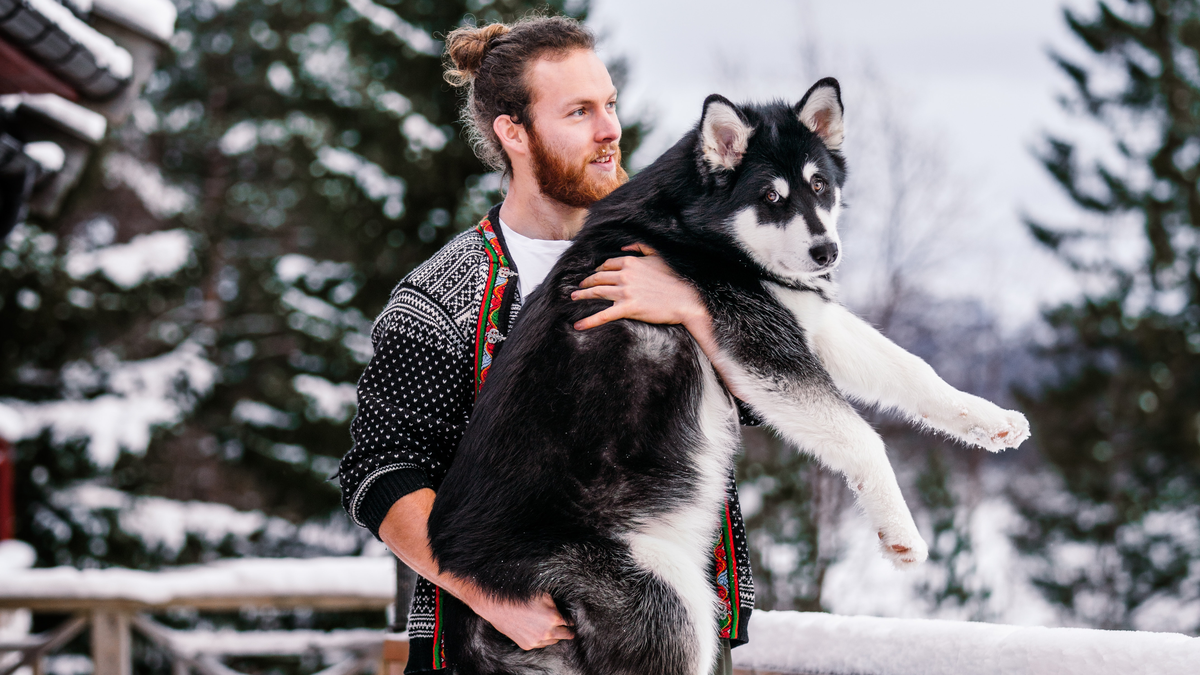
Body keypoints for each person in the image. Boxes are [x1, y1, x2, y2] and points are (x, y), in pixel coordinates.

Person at [337, 15, 754, 674]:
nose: (609, 129)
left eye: (610, 104)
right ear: (515, 132)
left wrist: (694, 309)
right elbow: (382, 472)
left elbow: (770, 392)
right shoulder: (443, 295)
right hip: (502, 651)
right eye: (580, 111)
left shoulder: (677, 258)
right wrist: (494, 597)